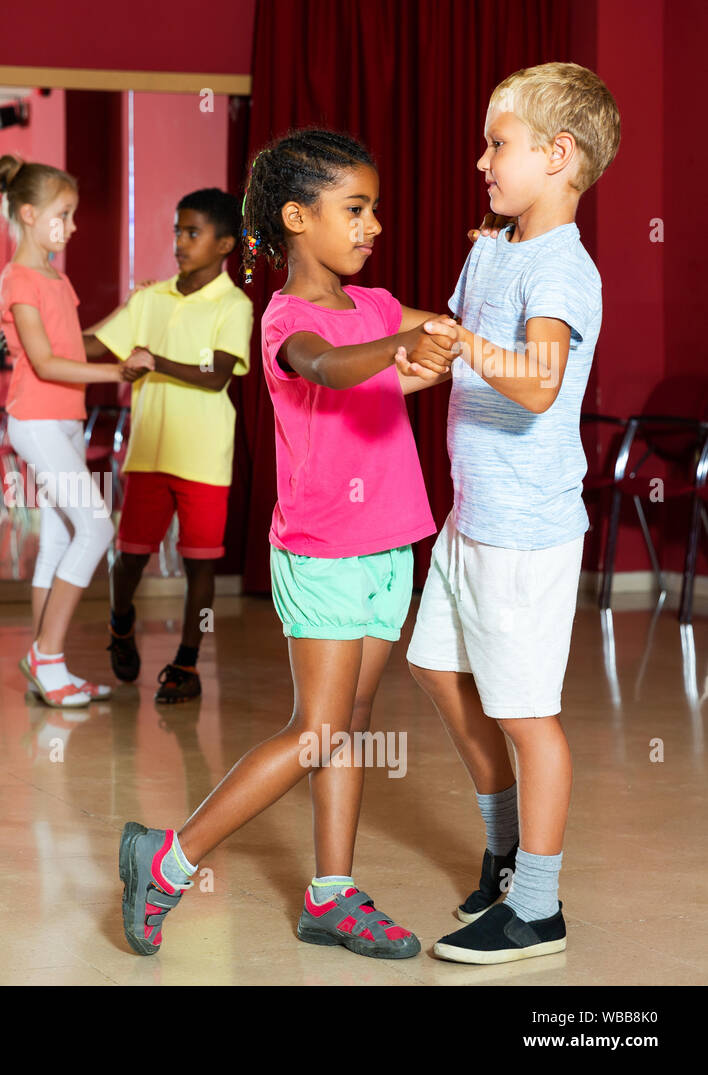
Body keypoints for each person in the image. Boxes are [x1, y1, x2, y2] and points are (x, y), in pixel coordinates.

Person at [119, 128, 460, 959]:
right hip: (324, 552)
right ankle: (168, 858)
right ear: (298, 218)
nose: (374, 222)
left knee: (351, 725)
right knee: (316, 730)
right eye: (356, 208)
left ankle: (331, 893)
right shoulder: (285, 319)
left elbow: (440, 333)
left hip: (389, 547)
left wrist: (456, 329)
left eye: (375, 207)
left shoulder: (376, 305)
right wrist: (406, 347)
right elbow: (332, 368)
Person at [409, 63, 621, 964]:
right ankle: (504, 845)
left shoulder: (565, 269)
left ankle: (537, 904)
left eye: (499, 143)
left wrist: (464, 346)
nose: (482, 159)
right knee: (434, 669)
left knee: (527, 713)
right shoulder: (491, 246)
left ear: (557, 154)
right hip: (471, 516)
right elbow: (447, 353)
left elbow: (534, 383)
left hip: (526, 530)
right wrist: (385, 364)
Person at [0, 153, 148, 709]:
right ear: (29, 215)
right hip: (35, 420)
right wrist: (119, 370)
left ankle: (46, 664)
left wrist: (128, 312)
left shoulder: (56, 277)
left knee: (61, 536)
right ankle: (46, 656)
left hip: (65, 420)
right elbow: (47, 362)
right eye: (65, 213)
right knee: (97, 528)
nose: (73, 225)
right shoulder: (18, 278)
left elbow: (72, 343)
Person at [88, 188, 253, 703]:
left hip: (204, 459)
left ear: (224, 243)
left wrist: (155, 360)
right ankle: (120, 623)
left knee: (198, 566)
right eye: (178, 231)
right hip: (149, 455)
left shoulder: (235, 304)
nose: (180, 242)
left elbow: (216, 374)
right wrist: (32, 332)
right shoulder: (149, 298)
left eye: (192, 232)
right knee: (128, 558)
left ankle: (186, 663)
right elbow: (98, 344)